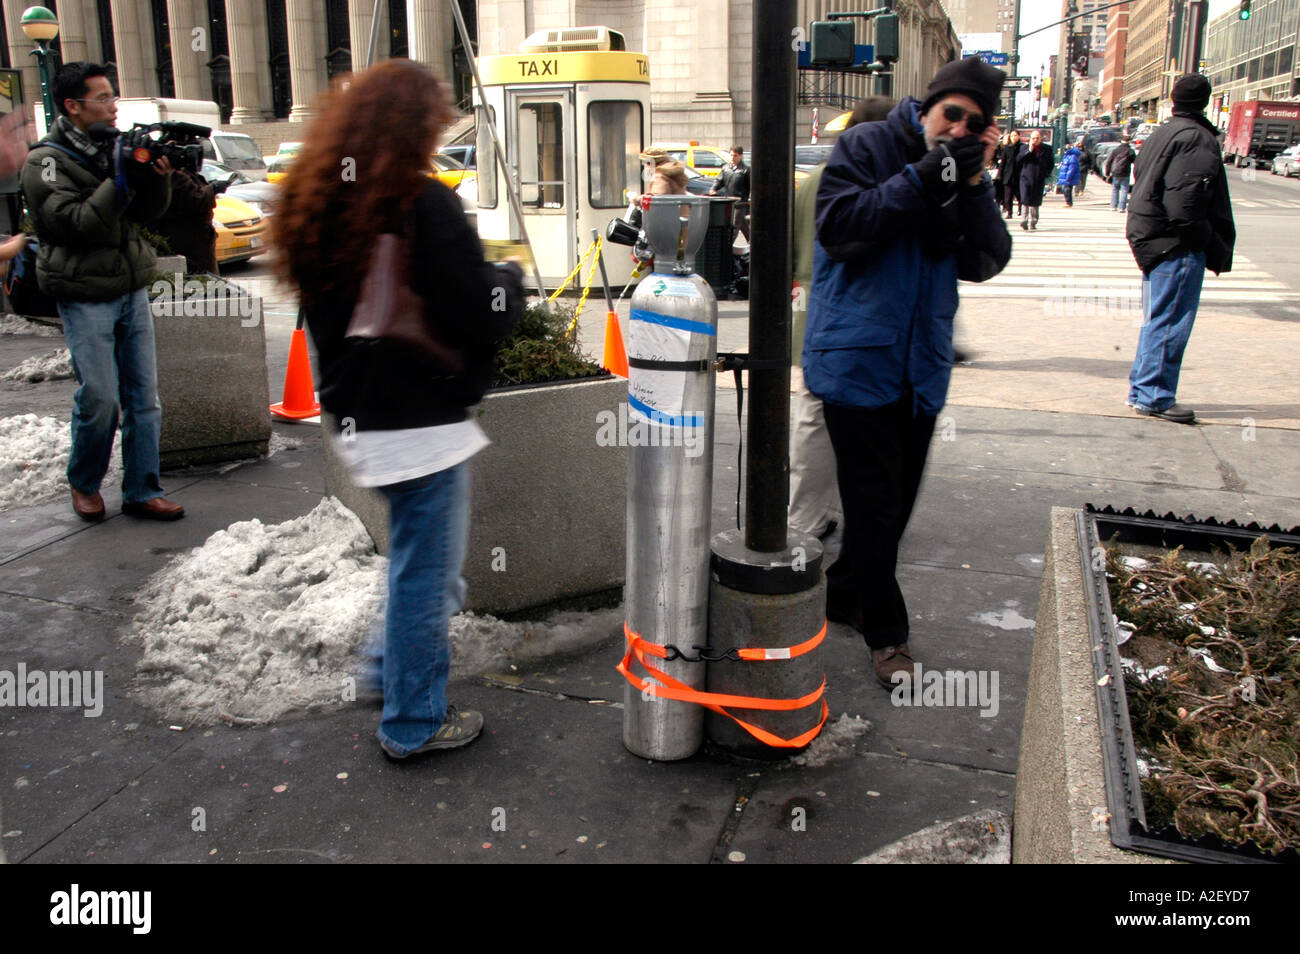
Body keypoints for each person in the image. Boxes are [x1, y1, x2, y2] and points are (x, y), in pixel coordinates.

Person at [273, 60, 523, 759]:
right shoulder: (421, 201)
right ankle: (413, 721)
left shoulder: (323, 202)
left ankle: (387, 672)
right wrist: (508, 279)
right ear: (416, 127)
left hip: (363, 417)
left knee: (423, 564)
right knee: (428, 574)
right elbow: (478, 308)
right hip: (423, 422)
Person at [803, 57, 1011, 687]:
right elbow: (839, 229)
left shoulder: (963, 173)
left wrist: (971, 186)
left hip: (919, 370)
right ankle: (888, 636)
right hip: (857, 361)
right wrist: (922, 179)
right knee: (872, 507)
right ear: (928, 108)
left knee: (893, 508)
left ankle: (840, 592)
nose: (958, 128)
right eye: (952, 114)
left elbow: (987, 259)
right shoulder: (869, 145)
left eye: (974, 122)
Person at [21, 62, 184, 522]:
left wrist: (156, 175)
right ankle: (85, 482)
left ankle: (142, 489)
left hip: (129, 285)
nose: (114, 107)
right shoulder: (46, 161)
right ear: (73, 106)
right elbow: (74, 224)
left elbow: (146, 215)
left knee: (144, 398)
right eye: (104, 98)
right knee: (101, 398)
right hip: (83, 292)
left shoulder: (114, 148)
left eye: (115, 97)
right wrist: (119, 178)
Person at [789, 95, 893, 540]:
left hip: (812, 310)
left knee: (817, 414)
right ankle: (804, 519)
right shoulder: (877, 182)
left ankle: (809, 513)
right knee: (822, 416)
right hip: (845, 318)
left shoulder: (814, 180)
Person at [1125, 74, 1235, 425]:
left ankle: (1143, 390)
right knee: (1170, 320)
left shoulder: (1164, 132)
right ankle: (1154, 395)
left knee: (1157, 318)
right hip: (1174, 242)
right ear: (1205, 101)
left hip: (1153, 235)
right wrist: (1204, 239)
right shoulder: (1195, 138)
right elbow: (1185, 203)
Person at [153, 166, 218, 274]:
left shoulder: (182, 173)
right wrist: (213, 188)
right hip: (189, 244)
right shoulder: (174, 174)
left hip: (196, 243)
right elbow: (196, 199)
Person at [710, 145, 751, 241]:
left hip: (741, 202)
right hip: (729, 201)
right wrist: (714, 188)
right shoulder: (726, 168)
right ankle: (752, 242)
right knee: (742, 224)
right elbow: (719, 180)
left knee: (734, 226)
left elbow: (751, 185)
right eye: (731, 155)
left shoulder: (746, 170)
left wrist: (750, 199)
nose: (732, 158)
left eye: (735, 155)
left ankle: (728, 246)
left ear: (740, 156)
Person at [1016, 130, 1054, 230]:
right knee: (1025, 199)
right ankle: (1024, 220)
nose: (1035, 140)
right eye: (1033, 138)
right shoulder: (1024, 147)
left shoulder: (1047, 149)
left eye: (1037, 138)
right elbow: (1019, 160)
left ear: (1041, 139)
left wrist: (1046, 174)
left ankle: (1033, 221)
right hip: (1026, 178)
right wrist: (1029, 150)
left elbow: (1051, 163)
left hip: (1038, 178)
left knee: (1035, 201)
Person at [1105, 132, 1136, 212]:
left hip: (1115, 172)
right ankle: (1121, 207)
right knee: (1124, 190)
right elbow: (1135, 161)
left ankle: (1113, 206)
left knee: (1115, 189)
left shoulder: (1115, 150)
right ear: (1129, 141)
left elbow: (1109, 161)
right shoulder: (1130, 151)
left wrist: (1107, 173)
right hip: (1125, 172)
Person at [995, 129, 1021, 218]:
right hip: (1008, 175)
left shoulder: (1022, 147)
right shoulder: (1007, 148)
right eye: (1012, 136)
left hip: (1018, 175)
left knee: (1019, 194)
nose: (1013, 137)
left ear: (1019, 136)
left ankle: (1020, 208)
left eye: (1015, 135)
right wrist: (1000, 175)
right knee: (1008, 196)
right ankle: (1009, 212)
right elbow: (1003, 163)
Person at [1057, 139, 1082, 207]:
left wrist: (1068, 177)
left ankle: (1069, 202)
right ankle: (1068, 202)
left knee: (1067, 189)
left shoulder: (1072, 157)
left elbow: (1072, 168)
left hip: (1068, 177)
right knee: (1065, 189)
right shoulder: (1068, 156)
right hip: (1065, 176)